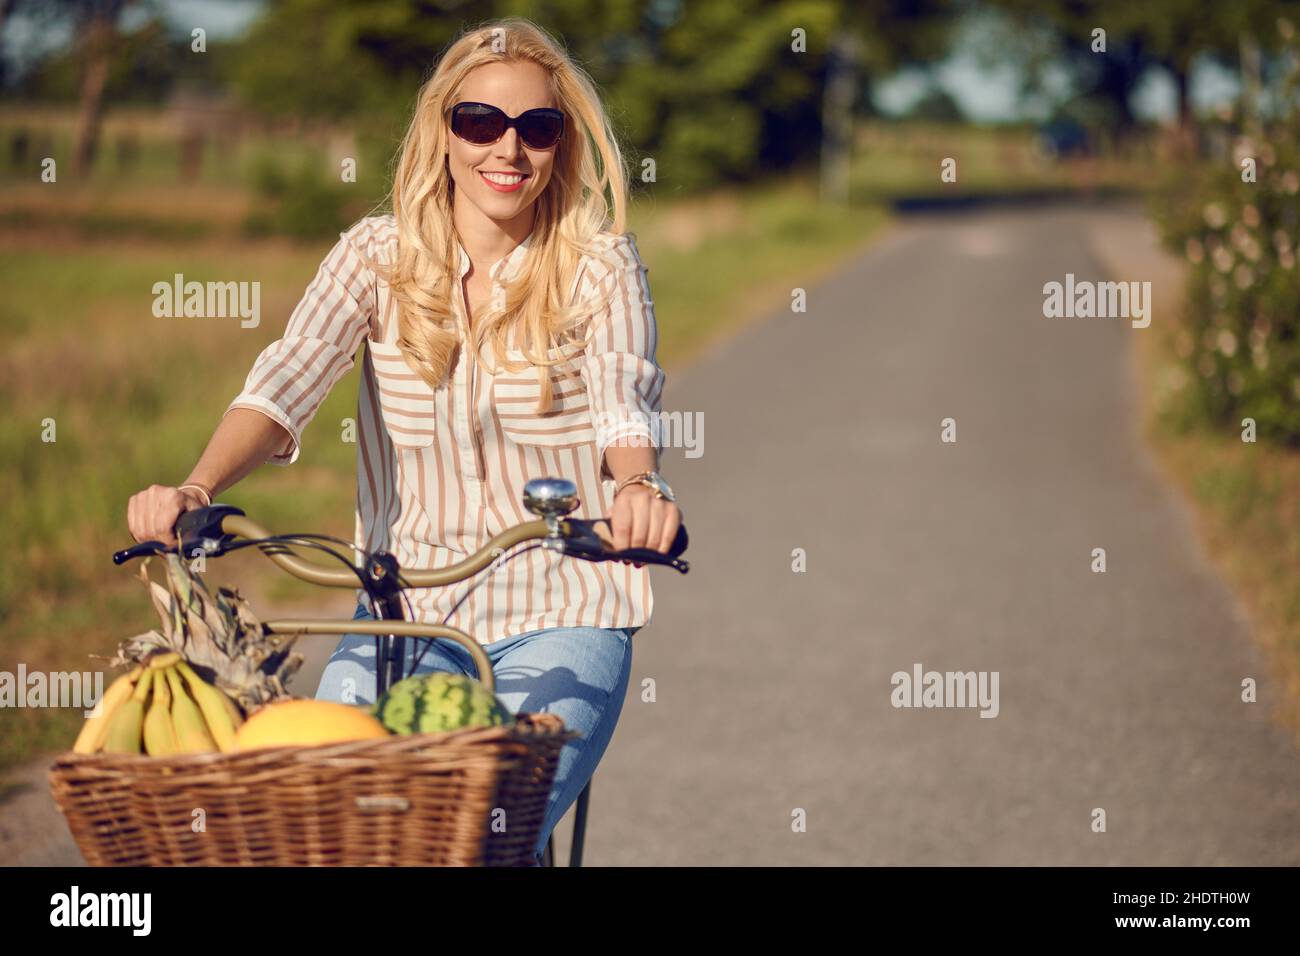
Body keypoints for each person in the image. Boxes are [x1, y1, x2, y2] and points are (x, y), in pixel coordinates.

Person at [125, 17, 681, 865]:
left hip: (564, 613)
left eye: (538, 128)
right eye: (480, 122)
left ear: (561, 144)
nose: (509, 149)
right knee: (330, 817)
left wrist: (638, 490)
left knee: (482, 826)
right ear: (443, 131)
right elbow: (283, 385)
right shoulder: (373, 258)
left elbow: (622, 399)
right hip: (397, 618)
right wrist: (195, 489)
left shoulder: (599, 268)